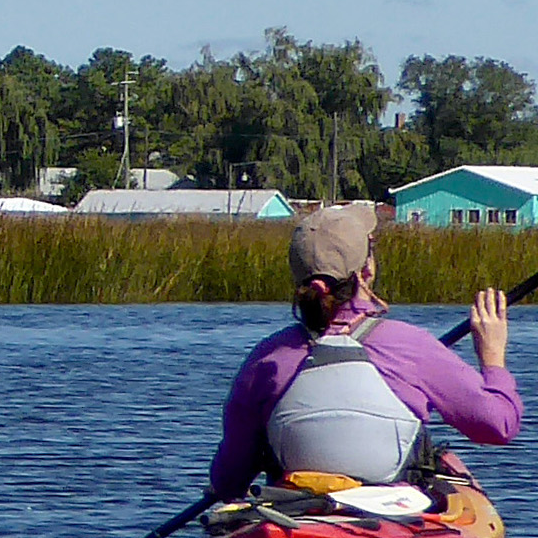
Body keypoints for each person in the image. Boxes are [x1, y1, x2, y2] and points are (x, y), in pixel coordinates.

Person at [209, 202, 519, 501]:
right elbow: (498, 425)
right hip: (393, 513)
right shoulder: (411, 346)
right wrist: (493, 358)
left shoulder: (268, 358)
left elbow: (228, 482)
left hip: (296, 514)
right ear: (365, 270)